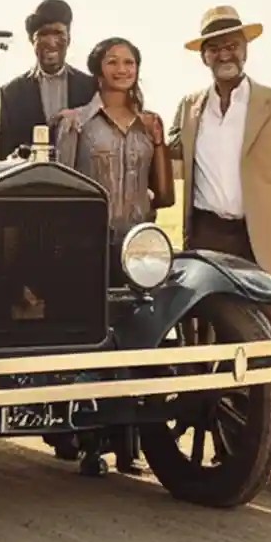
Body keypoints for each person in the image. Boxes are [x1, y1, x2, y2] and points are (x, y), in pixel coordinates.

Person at [166, 5, 271, 499]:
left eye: (232, 44)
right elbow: (165, 155)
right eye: (215, 47)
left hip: (265, 244)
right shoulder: (190, 107)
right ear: (204, 56)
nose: (224, 53)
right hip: (209, 239)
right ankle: (235, 450)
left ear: (245, 49)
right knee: (218, 350)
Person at [51, 37, 175, 476]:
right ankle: (88, 441)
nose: (123, 68)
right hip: (90, 246)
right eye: (113, 61)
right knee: (93, 340)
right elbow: (62, 192)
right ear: (98, 70)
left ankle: (129, 444)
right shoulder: (76, 124)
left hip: (140, 250)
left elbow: (167, 196)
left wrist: (159, 143)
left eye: (130, 61)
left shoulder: (149, 124)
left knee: (139, 336)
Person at [0, 0, 97, 160]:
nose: (51, 42)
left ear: (69, 39)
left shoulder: (91, 87)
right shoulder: (12, 92)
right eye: (43, 34)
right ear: (32, 41)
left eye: (58, 33)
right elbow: (5, 152)